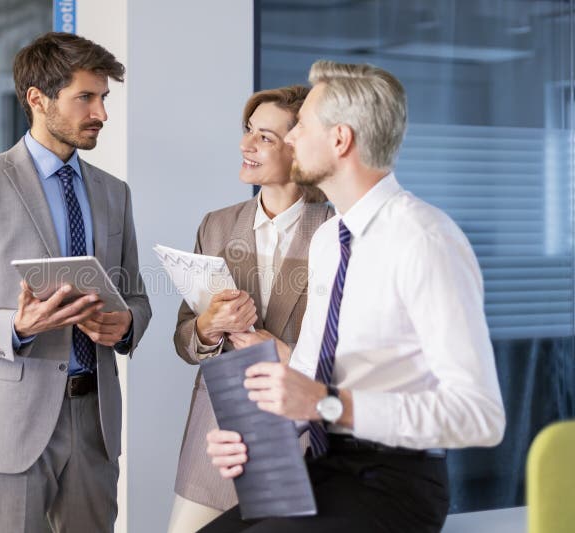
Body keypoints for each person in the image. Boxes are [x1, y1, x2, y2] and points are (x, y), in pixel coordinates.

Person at [202, 60, 506, 533]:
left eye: (301, 125)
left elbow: (480, 416)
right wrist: (253, 435)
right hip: (323, 467)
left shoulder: (425, 239)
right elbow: (305, 379)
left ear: (340, 140)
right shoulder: (329, 241)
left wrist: (328, 404)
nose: (291, 138)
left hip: (395, 484)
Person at [0, 32, 151, 533]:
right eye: (85, 98)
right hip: (10, 422)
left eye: (104, 98)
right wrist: (18, 325)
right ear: (38, 99)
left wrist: (127, 323)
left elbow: (135, 291)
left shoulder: (114, 193)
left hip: (93, 419)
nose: (101, 113)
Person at [168, 85, 333, 533]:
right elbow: (185, 338)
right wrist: (206, 327)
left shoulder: (335, 233)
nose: (245, 145)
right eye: (247, 131)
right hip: (217, 432)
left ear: (297, 147)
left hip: (297, 438)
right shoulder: (217, 225)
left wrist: (275, 348)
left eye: (265, 137)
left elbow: (345, 352)